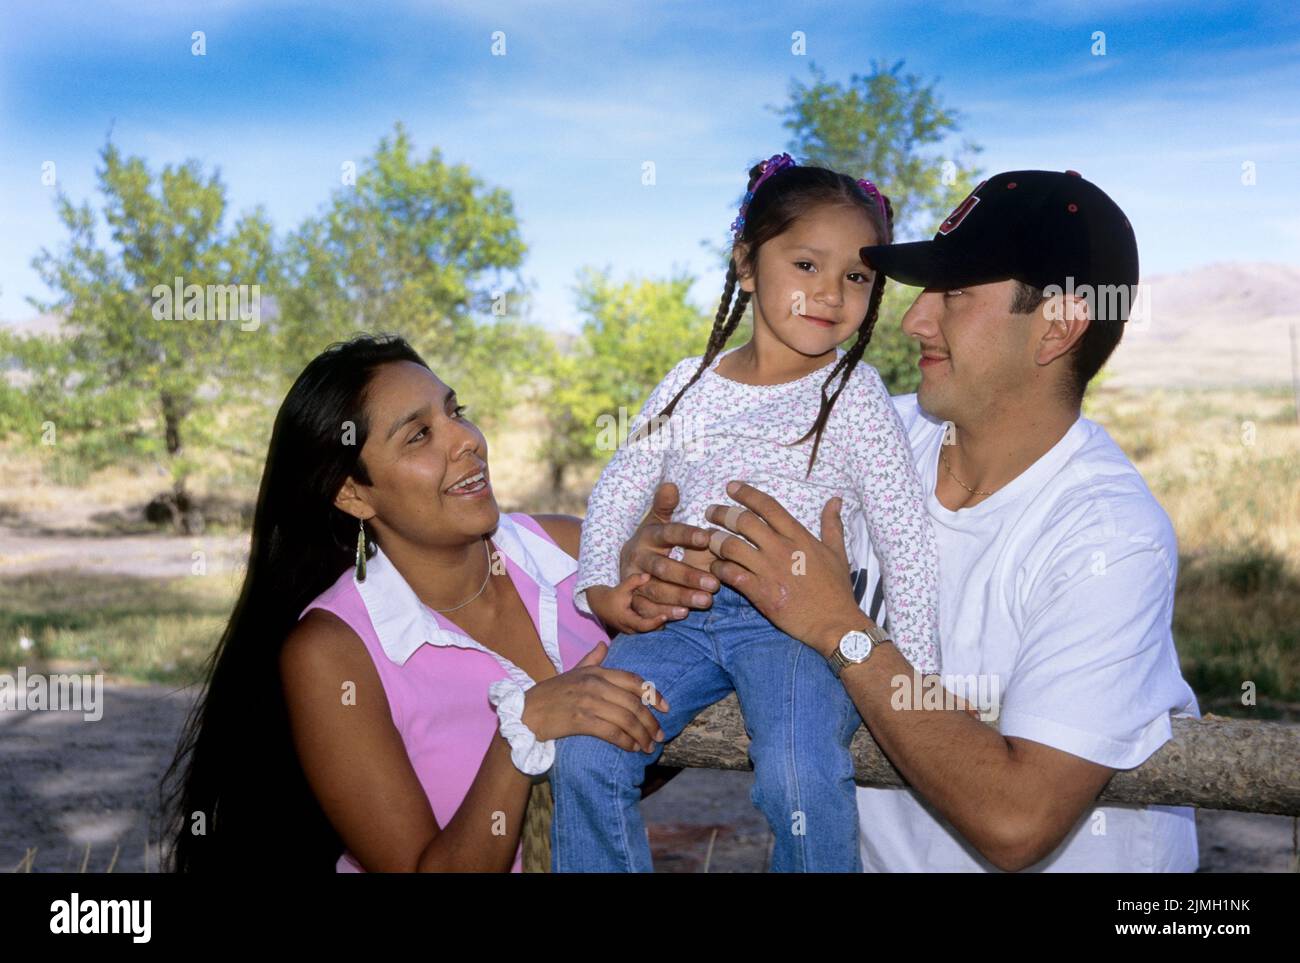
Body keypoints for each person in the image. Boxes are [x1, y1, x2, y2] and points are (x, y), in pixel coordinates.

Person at [622, 170, 1201, 872]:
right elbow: (713, 597)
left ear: (1057, 328)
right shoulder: (860, 433)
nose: (912, 319)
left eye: (954, 294)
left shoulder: (1108, 538)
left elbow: (1016, 821)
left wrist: (842, 629)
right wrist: (658, 572)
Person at [549, 153, 942, 872]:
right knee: (587, 748)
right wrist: (600, 587)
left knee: (799, 772)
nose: (831, 293)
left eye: (856, 276)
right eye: (806, 265)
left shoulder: (854, 396)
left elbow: (904, 536)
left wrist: (914, 682)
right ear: (747, 265)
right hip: (680, 621)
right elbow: (618, 488)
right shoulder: (690, 383)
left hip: (795, 628)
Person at [161, 334, 674, 872]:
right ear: (353, 494)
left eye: (457, 412)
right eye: (419, 435)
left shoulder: (569, 552)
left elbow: (649, 748)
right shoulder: (334, 654)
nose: (466, 441)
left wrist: (680, 606)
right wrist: (524, 730)